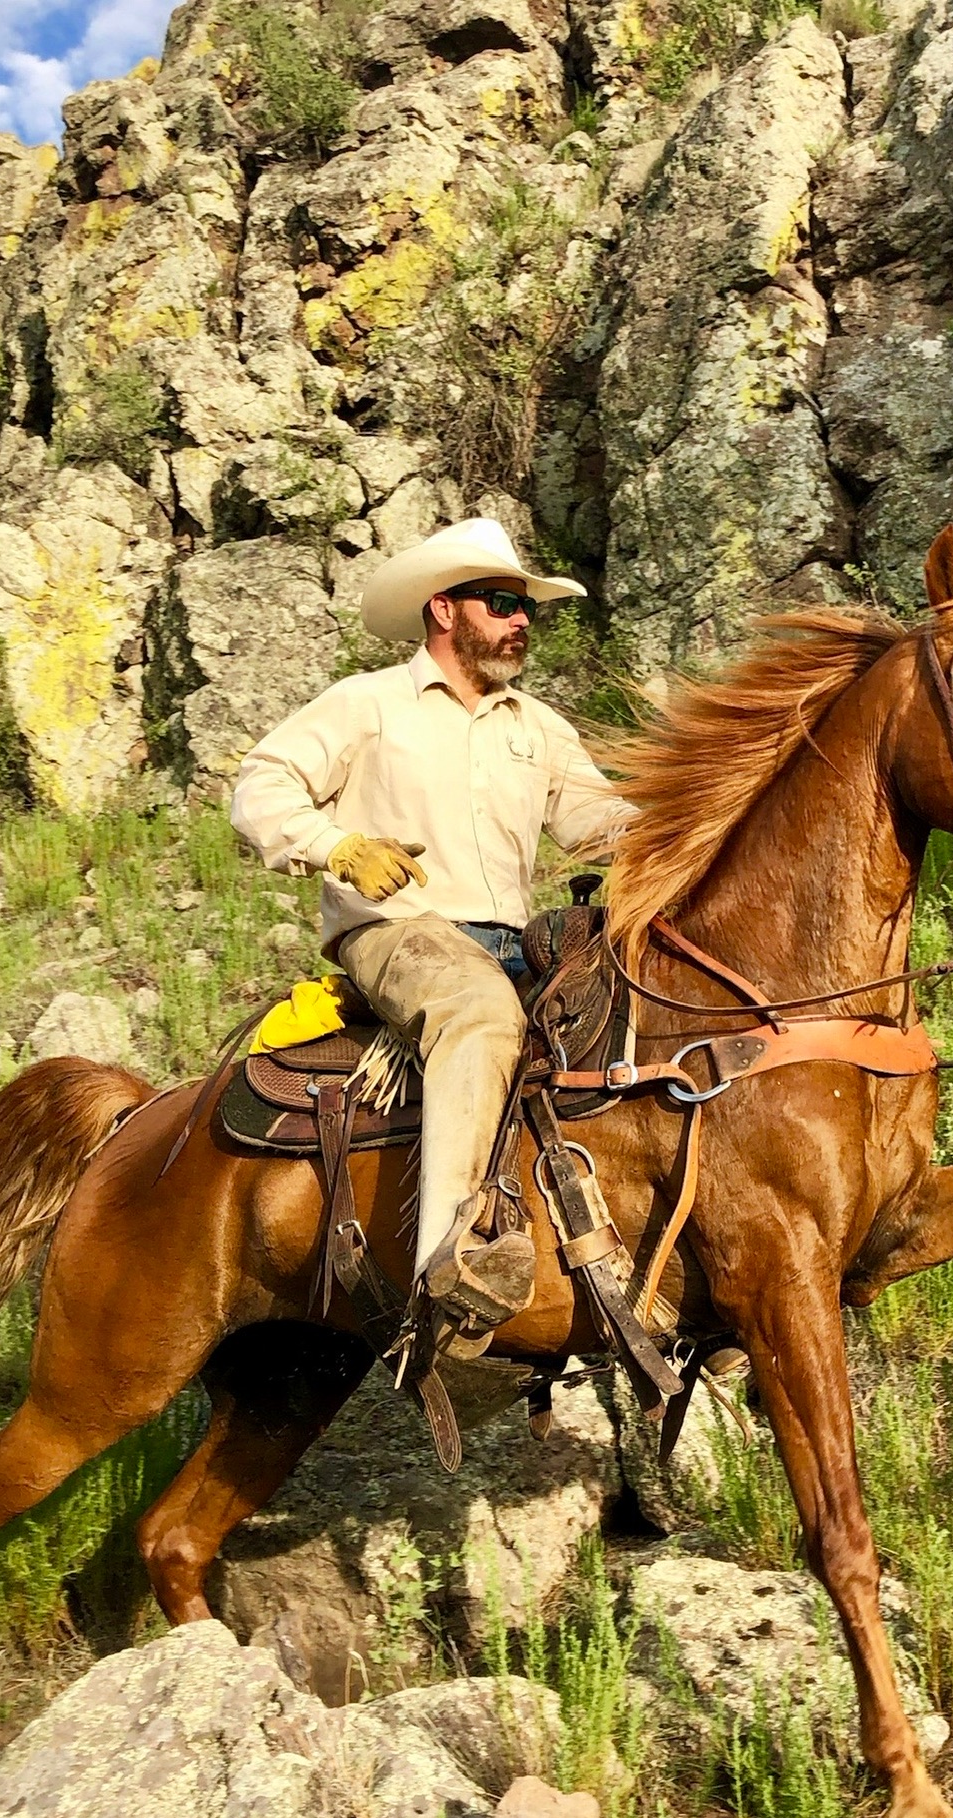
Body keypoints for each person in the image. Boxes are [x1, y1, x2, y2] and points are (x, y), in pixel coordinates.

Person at [231, 518, 634, 1344]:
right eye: (502, 603)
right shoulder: (367, 703)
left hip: (516, 942)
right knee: (481, 1014)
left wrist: (688, 824)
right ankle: (447, 1271)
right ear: (443, 609)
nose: (521, 620)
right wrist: (336, 845)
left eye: (526, 608)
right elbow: (262, 783)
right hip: (400, 932)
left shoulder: (539, 726)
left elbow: (596, 822)